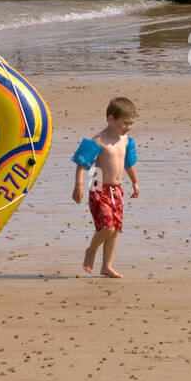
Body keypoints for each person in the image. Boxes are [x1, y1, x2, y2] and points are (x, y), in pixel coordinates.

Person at [71, 96, 139, 279]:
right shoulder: (98, 141)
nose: (128, 127)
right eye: (125, 123)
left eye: (131, 123)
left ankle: (106, 266)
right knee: (107, 228)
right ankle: (91, 250)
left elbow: (128, 163)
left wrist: (135, 182)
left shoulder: (125, 141)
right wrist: (78, 185)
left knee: (115, 230)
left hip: (117, 191)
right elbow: (82, 164)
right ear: (111, 118)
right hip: (99, 189)